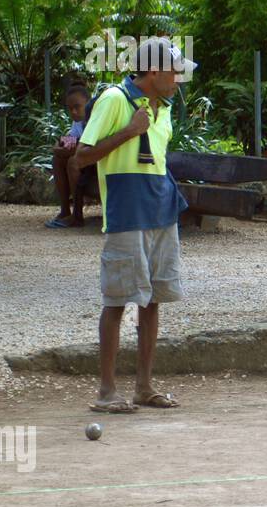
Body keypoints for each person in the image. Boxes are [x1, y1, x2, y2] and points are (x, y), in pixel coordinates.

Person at [74, 37, 194, 412]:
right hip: (126, 210)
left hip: (160, 208)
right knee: (117, 300)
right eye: (174, 71)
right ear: (154, 72)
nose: (178, 78)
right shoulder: (113, 99)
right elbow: (81, 157)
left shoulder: (165, 107)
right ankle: (107, 391)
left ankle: (144, 386)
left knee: (153, 298)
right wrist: (129, 131)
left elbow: (156, 159)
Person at [47, 82, 97, 229]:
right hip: (87, 161)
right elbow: (71, 140)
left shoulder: (96, 118)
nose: (73, 112)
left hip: (98, 160)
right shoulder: (78, 121)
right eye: (70, 109)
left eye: (77, 107)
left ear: (88, 103)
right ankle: (65, 210)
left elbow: (86, 145)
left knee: (72, 162)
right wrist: (59, 143)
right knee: (57, 159)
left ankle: (77, 215)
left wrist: (64, 148)